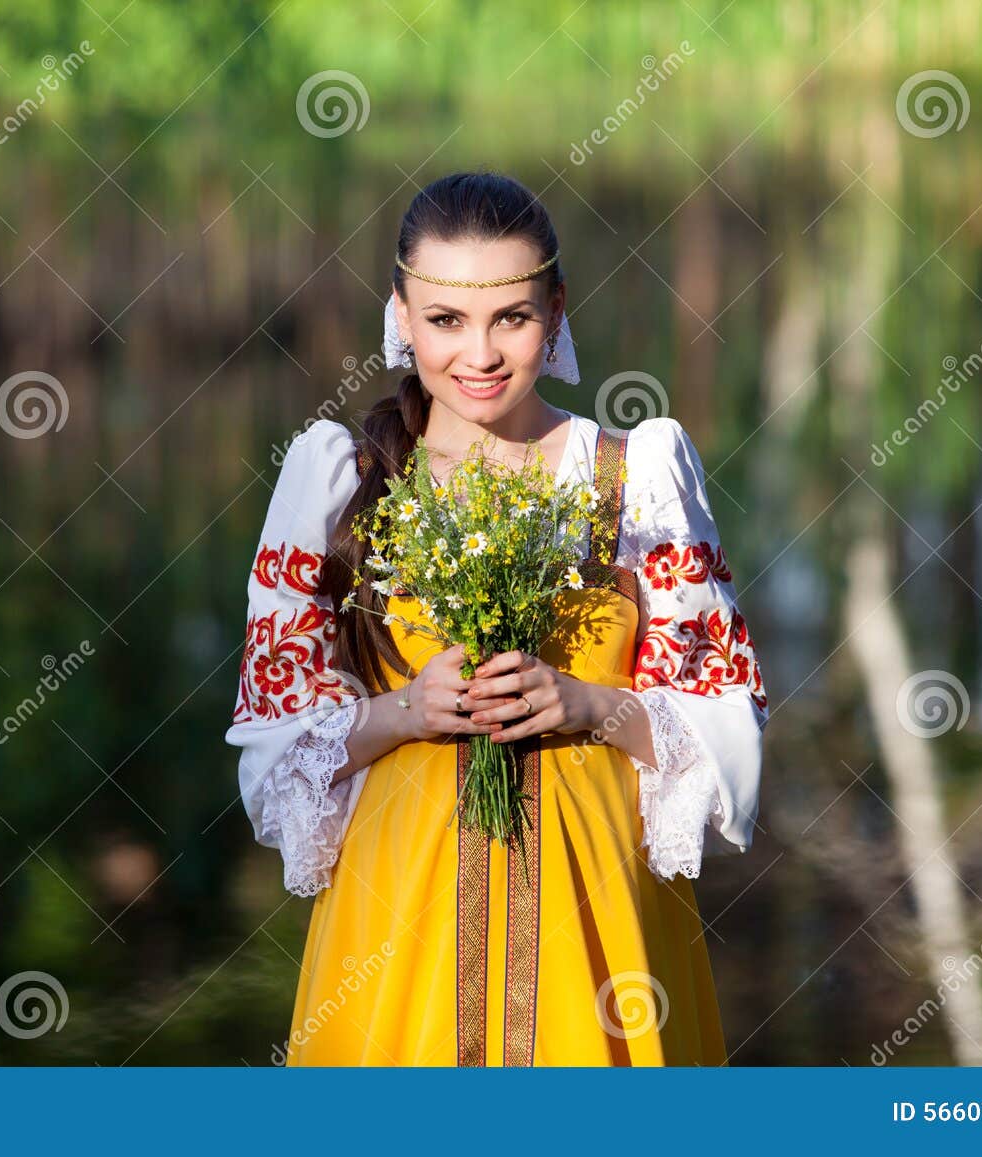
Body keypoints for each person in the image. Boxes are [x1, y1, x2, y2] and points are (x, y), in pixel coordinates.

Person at [225, 171, 767, 1065]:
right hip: (400, 919)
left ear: (556, 311)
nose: (478, 354)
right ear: (402, 314)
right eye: (446, 320)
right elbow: (279, 748)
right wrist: (406, 710)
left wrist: (588, 705)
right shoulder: (343, 483)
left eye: (510, 317)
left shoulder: (637, 478)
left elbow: (724, 725)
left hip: (599, 920)